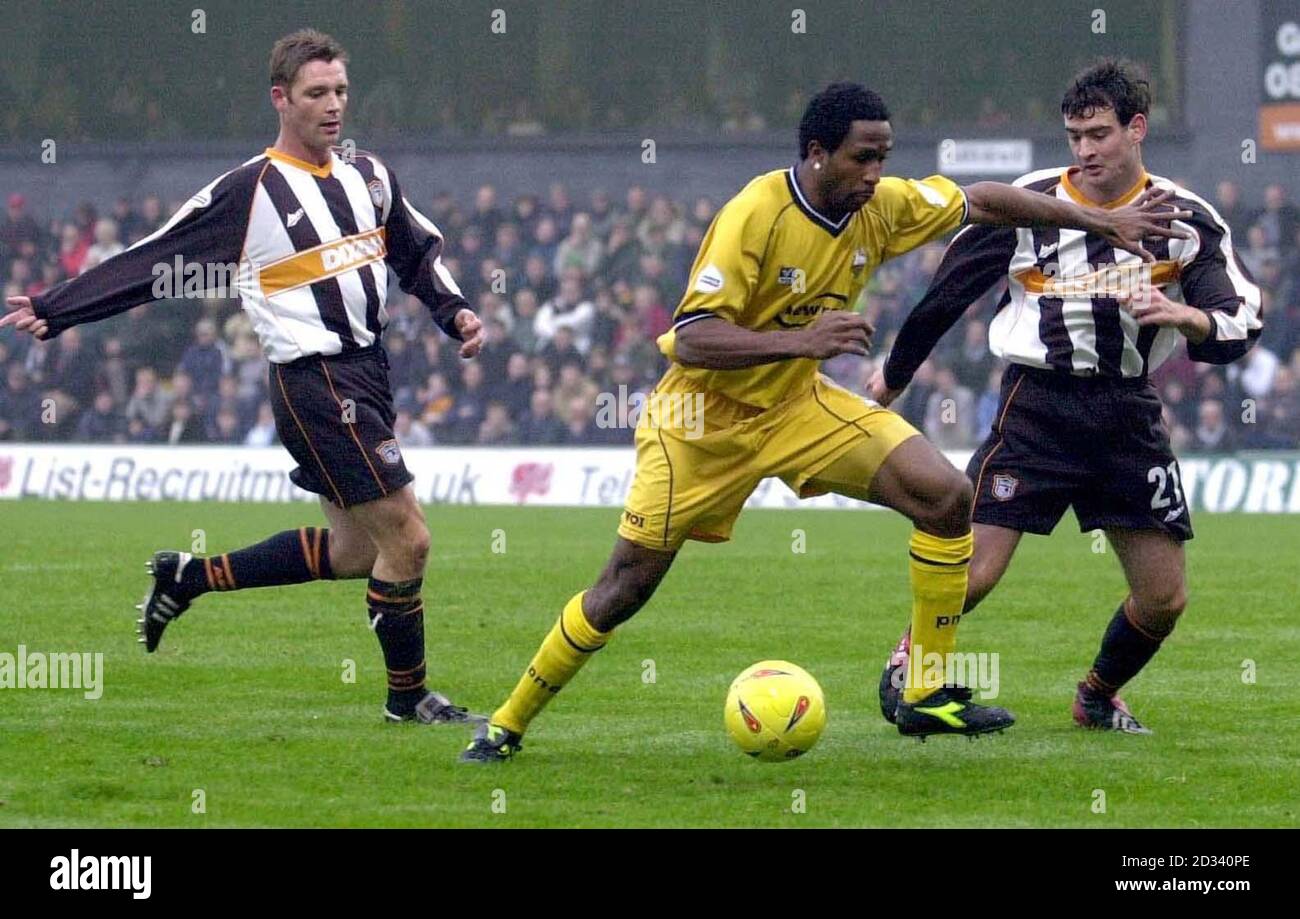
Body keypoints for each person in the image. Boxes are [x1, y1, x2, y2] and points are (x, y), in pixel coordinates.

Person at [460, 81, 1189, 761]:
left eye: (884, 156)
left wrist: (1097, 218)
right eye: (862, 156)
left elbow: (988, 201)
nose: (876, 172)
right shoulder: (756, 213)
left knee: (943, 496)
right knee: (625, 586)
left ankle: (925, 689)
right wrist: (802, 341)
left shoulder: (883, 205)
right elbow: (690, 336)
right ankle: (508, 721)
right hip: (700, 423)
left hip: (796, 406)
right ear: (816, 154)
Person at [1, 29, 485, 726]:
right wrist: (57, 307)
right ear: (280, 99)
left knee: (355, 551)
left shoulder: (367, 176)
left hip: (369, 374)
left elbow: (416, 250)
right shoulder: (249, 190)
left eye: (341, 91)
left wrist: (457, 312)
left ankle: (188, 576)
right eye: (317, 93)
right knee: (408, 539)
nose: (333, 106)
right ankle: (408, 700)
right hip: (315, 384)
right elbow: (153, 258)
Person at [869, 60, 1261, 733]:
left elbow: (1237, 322)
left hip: (1127, 415)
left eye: (1099, 134)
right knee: (977, 569)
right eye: (1075, 135)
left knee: (1164, 598)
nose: (1085, 149)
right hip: (1036, 408)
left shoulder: (1186, 218)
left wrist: (1184, 316)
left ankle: (1097, 694)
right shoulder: (1030, 202)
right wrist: (896, 374)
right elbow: (949, 290)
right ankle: (910, 667)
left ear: (1136, 129)